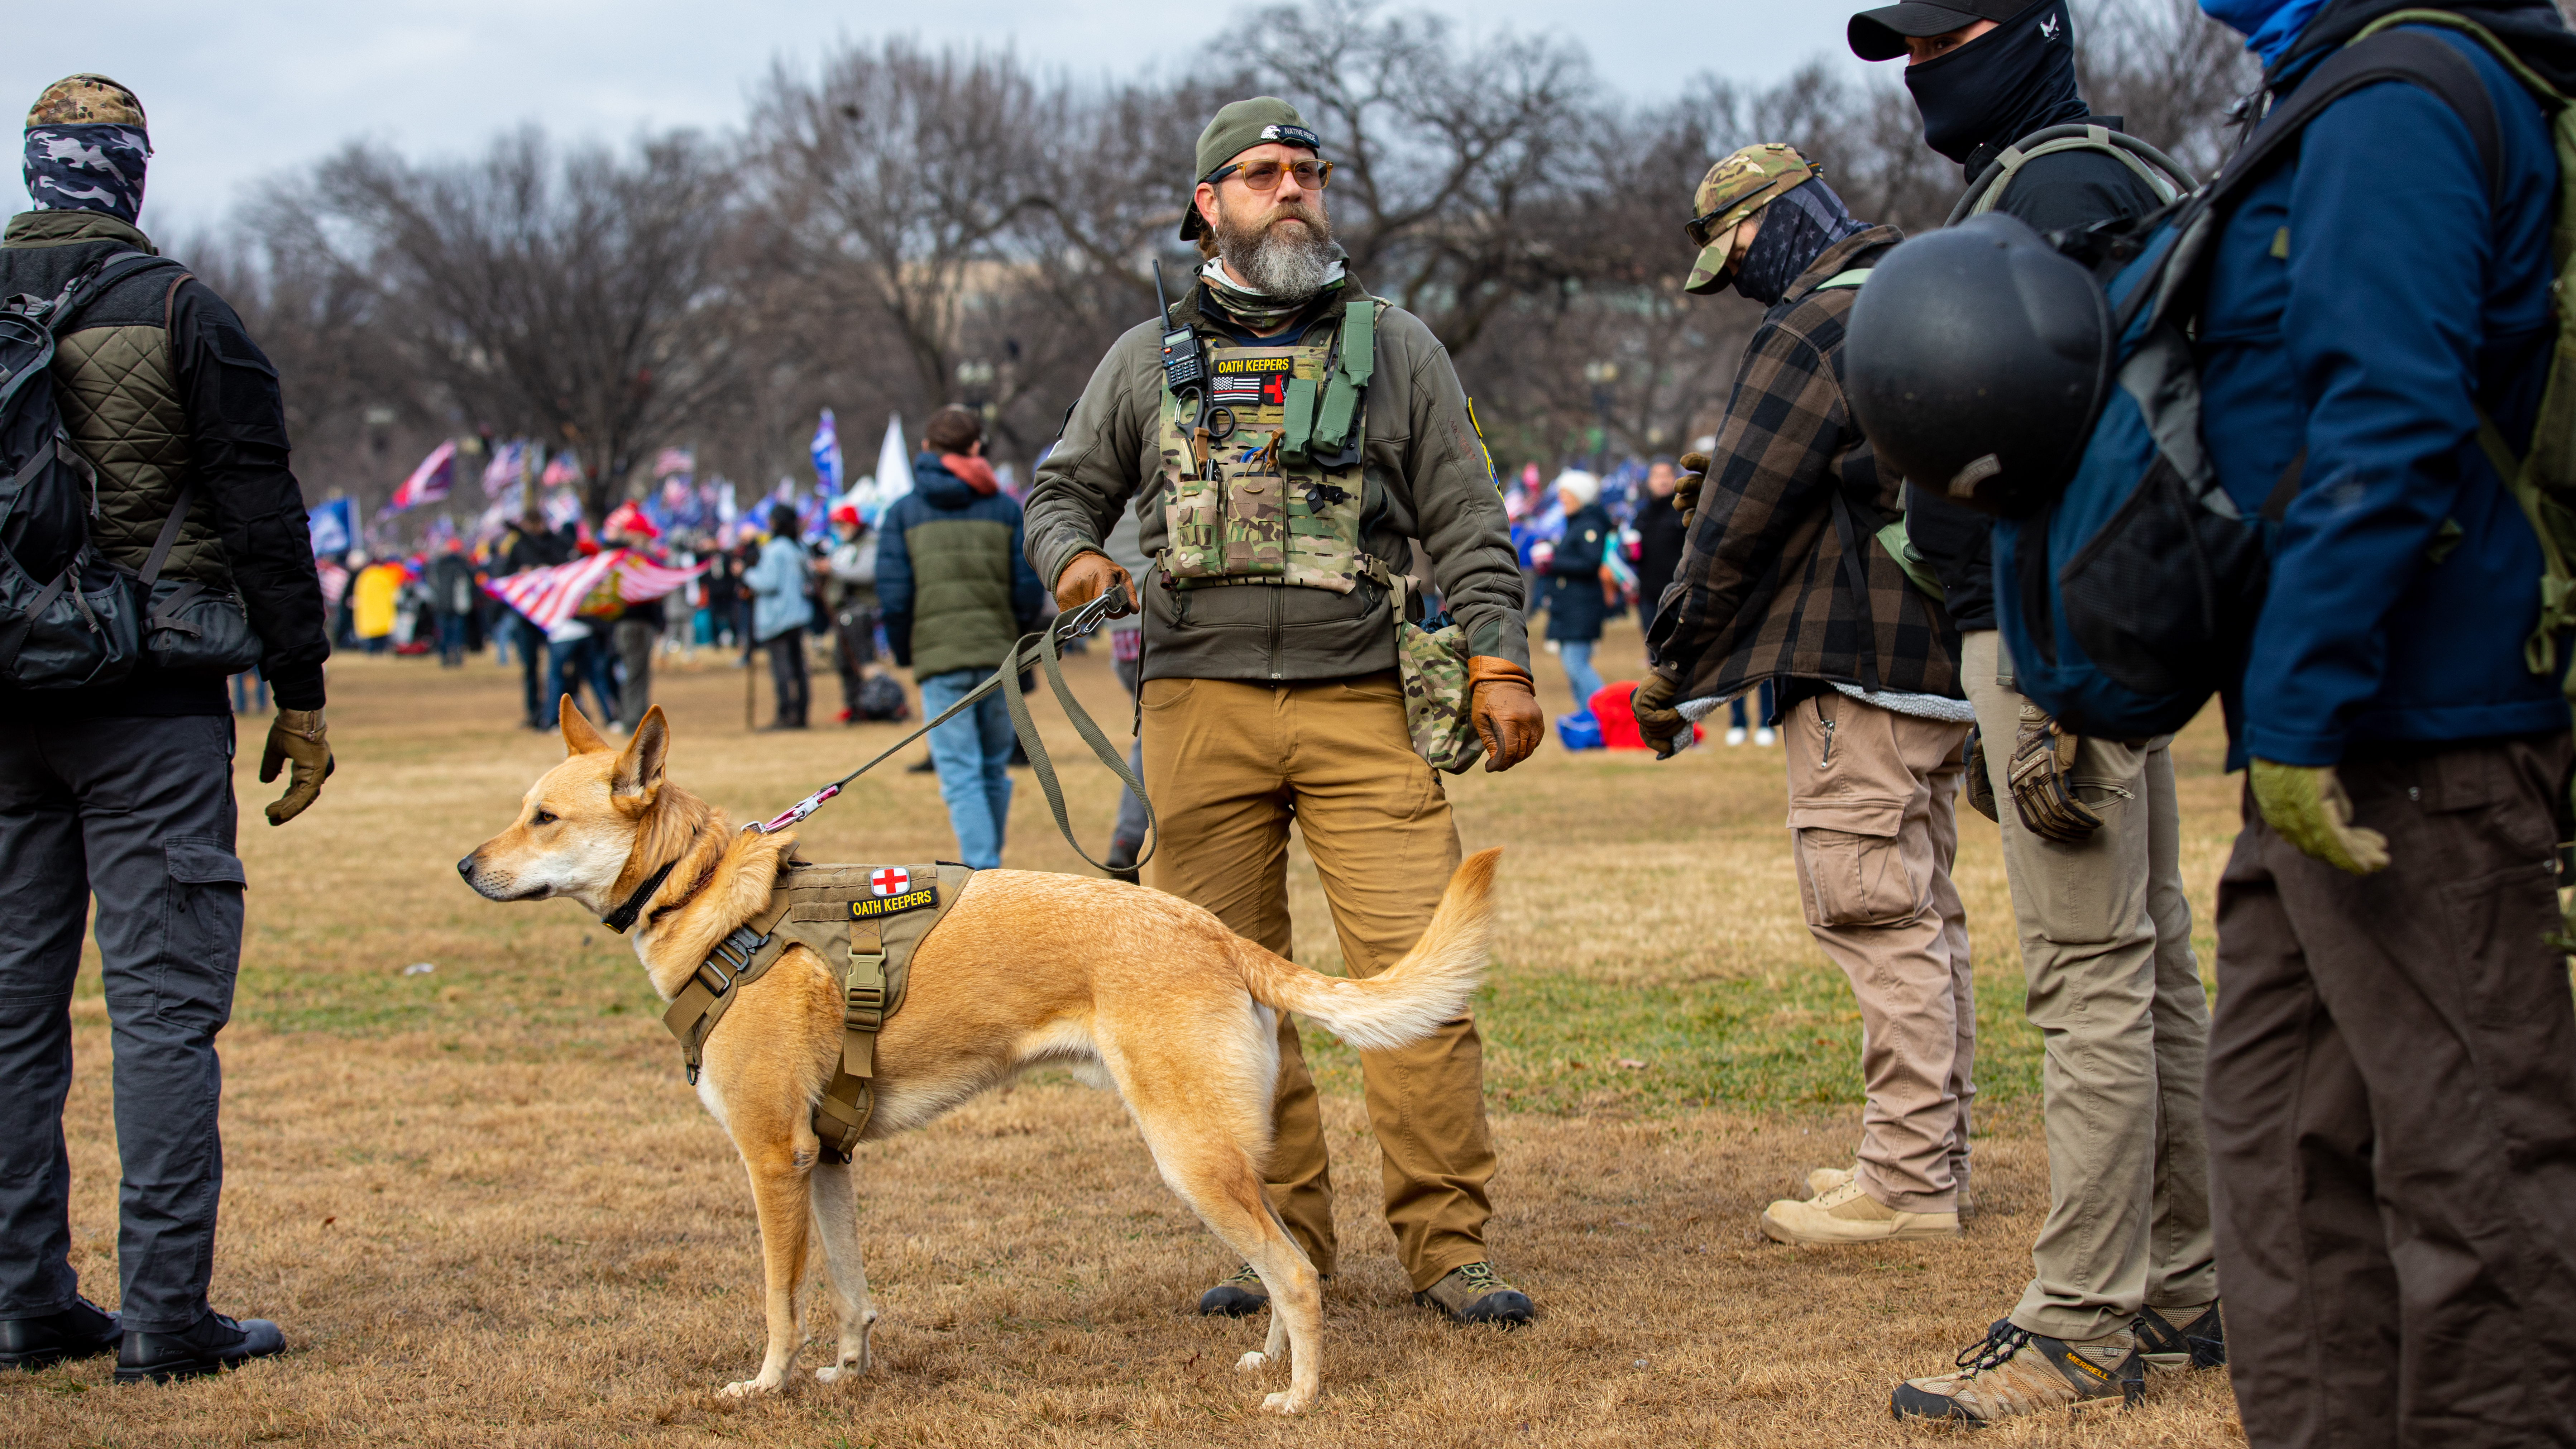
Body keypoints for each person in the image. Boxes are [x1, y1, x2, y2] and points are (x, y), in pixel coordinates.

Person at [1024, 96, 1547, 1327]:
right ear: (1209, 203)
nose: (1293, 189)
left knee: (1417, 978)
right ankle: (1280, 1239)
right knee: (1219, 996)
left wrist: (1500, 659)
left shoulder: (1400, 344)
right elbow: (1062, 489)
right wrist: (1074, 565)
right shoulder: (1140, 360)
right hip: (1197, 709)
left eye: (1308, 171)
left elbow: (1467, 517)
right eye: (1262, 174)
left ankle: (1449, 1246)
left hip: (1364, 701)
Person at [2183, 4, 2576, 1445]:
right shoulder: (2339, 88)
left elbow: (2392, 417)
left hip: (2414, 736)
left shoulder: (2400, 96)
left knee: (2476, 1163)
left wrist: (2299, 711)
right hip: (2347, 721)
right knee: (2281, 1139)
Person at [1844, 0, 2216, 1422]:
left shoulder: (2059, 186)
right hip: (2081, 619)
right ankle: (2188, 1292)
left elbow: (2081, 448)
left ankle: (2079, 1322)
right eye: (1909, 52)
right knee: (2149, 959)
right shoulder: (2097, 167)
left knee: (2091, 978)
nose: (1925, 73)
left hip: (2056, 625)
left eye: (1947, 39)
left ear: (2036, 29)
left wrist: (2046, 678)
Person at [0, 73, 329, 1382]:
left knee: (15, 1020)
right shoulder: (182, 308)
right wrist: (300, 690)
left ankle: (25, 1300)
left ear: (34, 174)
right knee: (161, 1017)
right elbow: (262, 513)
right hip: (150, 702)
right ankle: (164, 1318)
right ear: (130, 178)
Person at [1629, 145, 1978, 1253]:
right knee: (1925, 918)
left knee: (1875, 918)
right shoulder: (1926, 283)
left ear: (1772, 224)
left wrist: (1673, 661)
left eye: (1732, 255)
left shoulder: (1809, 327)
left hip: (1853, 668)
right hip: (1944, 666)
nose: (1735, 283)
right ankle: (1923, 1149)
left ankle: (1908, 1182)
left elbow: (1734, 518)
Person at [878, 405, 1045, 868]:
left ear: (927, 449)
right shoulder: (1006, 508)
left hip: (943, 657)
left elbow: (894, 595)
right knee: (991, 769)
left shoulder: (902, 513)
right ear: (975, 449)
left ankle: (982, 869)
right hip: (996, 655)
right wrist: (1017, 641)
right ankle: (986, 866)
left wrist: (908, 650)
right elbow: (1028, 587)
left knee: (961, 774)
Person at [1541, 470, 1615, 713]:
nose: (1562, 499)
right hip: (1569, 606)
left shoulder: (1590, 525)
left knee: (1577, 666)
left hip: (1582, 606)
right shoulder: (1575, 523)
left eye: (1566, 494)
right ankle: (1587, 717)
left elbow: (1590, 562)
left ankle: (1607, 713)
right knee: (1571, 667)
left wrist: (1553, 562)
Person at [492, 507, 570, 728]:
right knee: (530, 667)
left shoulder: (555, 543)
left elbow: (566, 568)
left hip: (552, 615)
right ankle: (535, 713)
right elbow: (505, 576)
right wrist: (522, 572)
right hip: (526, 616)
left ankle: (560, 712)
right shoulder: (519, 546)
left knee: (558, 666)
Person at [745, 504, 813, 730]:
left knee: (782, 669)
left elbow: (768, 583)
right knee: (798, 668)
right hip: (798, 614)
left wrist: (747, 574)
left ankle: (786, 715)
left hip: (777, 617)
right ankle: (801, 713)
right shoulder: (799, 548)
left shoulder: (775, 550)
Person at [604, 504, 662, 732]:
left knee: (637, 672)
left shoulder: (625, 558)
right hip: (633, 624)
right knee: (633, 673)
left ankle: (637, 717)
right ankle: (633, 720)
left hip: (637, 623)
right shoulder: (630, 559)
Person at [823, 502, 880, 724]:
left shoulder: (870, 543)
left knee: (864, 661)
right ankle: (854, 705)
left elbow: (866, 573)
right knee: (843, 660)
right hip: (843, 612)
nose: (840, 529)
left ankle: (876, 702)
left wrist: (833, 570)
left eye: (843, 524)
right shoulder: (843, 546)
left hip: (860, 609)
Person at [428, 538, 475, 668]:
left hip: (442, 604)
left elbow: (433, 584)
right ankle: (458, 657)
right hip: (458, 605)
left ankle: (445, 658)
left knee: (444, 633)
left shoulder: (438, 565)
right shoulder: (462, 565)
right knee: (458, 633)